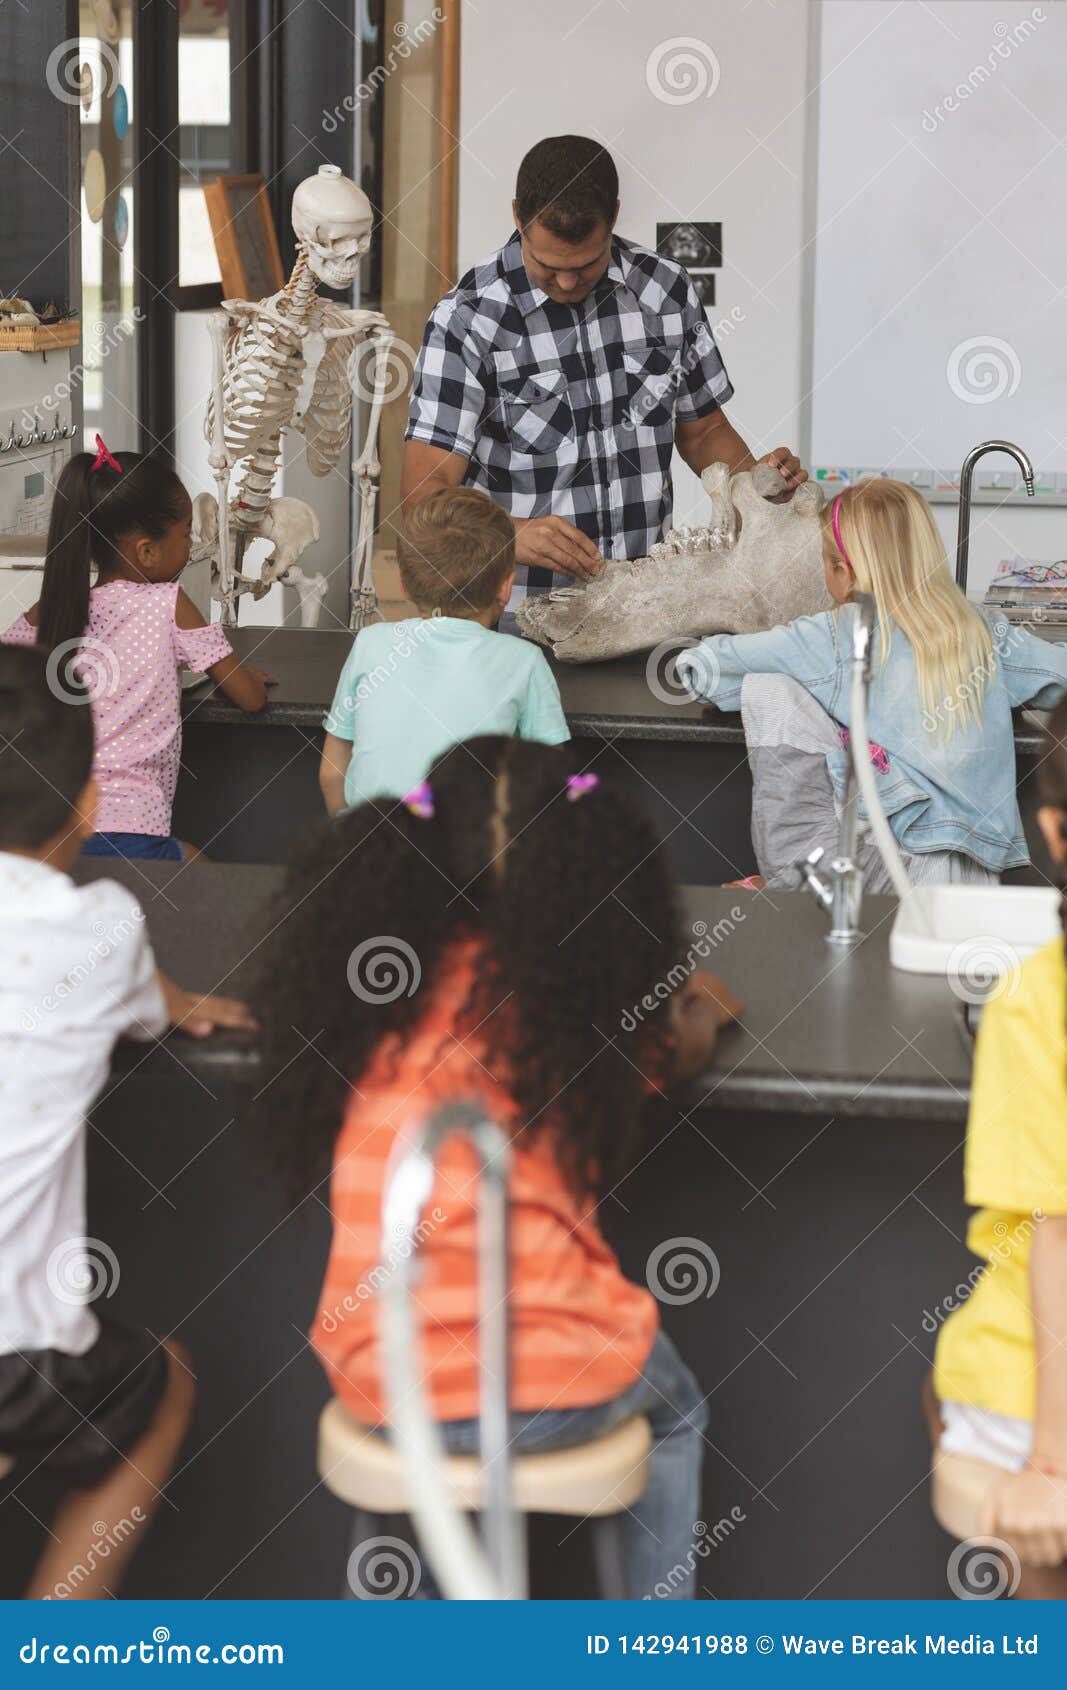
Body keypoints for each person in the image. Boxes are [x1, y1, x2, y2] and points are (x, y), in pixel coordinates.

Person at [257, 737, 742, 1599]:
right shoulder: (579, 1012)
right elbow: (678, 1047)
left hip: (380, 1369)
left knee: (404, 1454)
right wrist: (695, 1004)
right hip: (564, 1377)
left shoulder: (364, 1004)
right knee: (678, 1418)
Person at [0, 646, 255, 1599]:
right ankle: (63, 1633)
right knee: (165, 1378)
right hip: (16, 1364)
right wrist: (177, 996)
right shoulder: (100, 928)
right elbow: (152, 1004)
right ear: (90, 806)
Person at [402, 135, 805, 624]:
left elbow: (704, 431)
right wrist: (509, 536)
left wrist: (756, 492)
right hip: (517, 621)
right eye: (548, 266)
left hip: (648, 610)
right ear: (516, 217)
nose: (568, 283)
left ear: (613, 216)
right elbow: (424, 497)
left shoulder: (665, 291)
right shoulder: (467, 319)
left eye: (586, 265)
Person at [677, 478, 1067, 886]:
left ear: (843, 573)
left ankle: (792, 884)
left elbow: (703, 669)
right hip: (975, 879)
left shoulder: (833, 634)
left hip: (884, 870)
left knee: (768, 686)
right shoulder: (985, 632)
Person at [929, 694, 1067, 1598]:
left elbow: (1055, 1237)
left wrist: (1052, 1465)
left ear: (1053, 831)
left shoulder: (1038, 997)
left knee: (954, 1375)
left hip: (1036, 1404)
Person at [1, 438, 274, 861]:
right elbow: (251, 699)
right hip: (134, 828)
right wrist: (239, 677)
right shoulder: (168, 603)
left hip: (55, 831)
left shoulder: (52, 609)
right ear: (147, 551)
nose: (190, 545)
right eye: (186, 534)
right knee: (208, 880)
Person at [319, 487, 569, 814]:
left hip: (370, 845)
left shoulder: (370, 643)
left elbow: (331, 772)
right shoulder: (525, 661)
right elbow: (552, 782)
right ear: (505, 588)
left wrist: (346, 834)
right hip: (470, 854)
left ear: (404, 584)